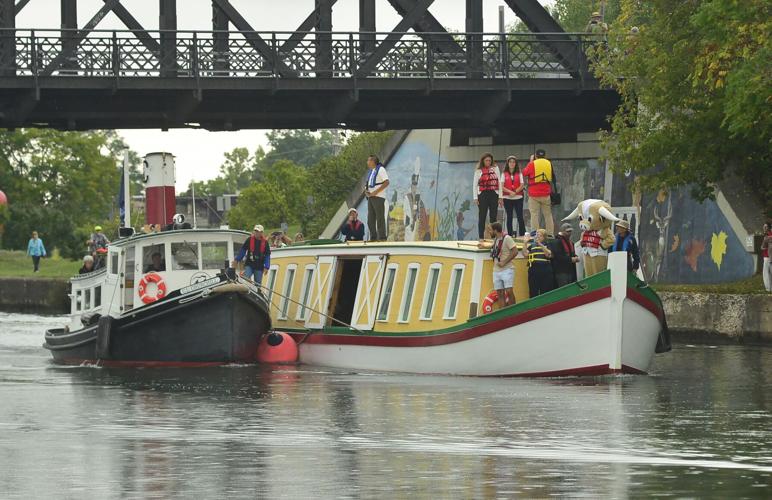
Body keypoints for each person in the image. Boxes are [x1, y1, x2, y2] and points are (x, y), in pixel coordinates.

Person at [522, 149, 555, 236]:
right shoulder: (549, 163)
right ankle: (550, 233)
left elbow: (525, 173)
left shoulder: (533, 163)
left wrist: (530, 161)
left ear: (536, 156)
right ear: (545, 156)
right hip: (546, 193)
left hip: (534, 194)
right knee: (548, 215)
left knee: (534, 214)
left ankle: (535, 233)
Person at [473, 152, 503, 241]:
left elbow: (499, 183)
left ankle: (493, 237)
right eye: (486, 160)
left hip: (494, 193)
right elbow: (475, 184)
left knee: (493, 216)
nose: (488, 162)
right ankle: (481, 237)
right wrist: (475, 197)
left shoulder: (495, 168)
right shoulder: (478, 170)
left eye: (489, 160)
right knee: (482, 216)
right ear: (483, 161)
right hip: (482, 194)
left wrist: (500, 197)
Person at [489, 222, 518, 309]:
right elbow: (495, 249)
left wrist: (504, 262)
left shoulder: (507, 238)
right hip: (496, 270)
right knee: (499, 293)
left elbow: (515, 251)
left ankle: (513, 311)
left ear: (495, 230)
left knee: (509, 291)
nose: (489, 232)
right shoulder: (496, 239)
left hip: (507, 269)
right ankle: (503, 314)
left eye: (490, 230)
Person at [365, 154, 389, 241]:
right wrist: (366, 191)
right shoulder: (371, 171)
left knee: (379, 218)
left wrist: (375, 192)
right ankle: (373, 237)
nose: (367, 162)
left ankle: (382, 237)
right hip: (371, 197)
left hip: (378, 196)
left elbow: (386, 182)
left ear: (372, 161)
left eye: (368, 160)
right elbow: (369, 184)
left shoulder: (381, 169)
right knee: (370, 219)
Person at [523, 229, 553, 298]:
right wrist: (525, 243)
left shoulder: (548, 245)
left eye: (540, 236)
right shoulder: (532, 245)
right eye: (537, 235)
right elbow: (525, 254)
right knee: (533, 291)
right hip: (533, 269)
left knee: (545, 291)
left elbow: (548, 254)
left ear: (544, 237)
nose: (538, 237)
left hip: (545, 269)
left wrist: (540, 244)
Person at [501, 155, 526, 237]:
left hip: (518, 197)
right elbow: (501, 186)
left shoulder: (519, 173)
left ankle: (522, 235)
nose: (512, 164)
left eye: (513, 162)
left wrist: (515, 192)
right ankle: (510, 235)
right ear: (507, 163)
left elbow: (522, 185)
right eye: (510, 162)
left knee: (520, 216)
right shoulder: (504, 174)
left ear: (516, 164)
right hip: (507, 198)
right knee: (509, 217)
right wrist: (510, 192)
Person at [552, 223, 579, 287]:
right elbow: (557, 256)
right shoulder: (556, 241)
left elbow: (572, 253)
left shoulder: (571, 242)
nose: (570, 233)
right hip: (561, 272)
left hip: (570, 271)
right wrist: (571, 259)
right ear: (562, 231)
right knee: (564, 290)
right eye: (567, 231)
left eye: (570, 231)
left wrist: (575, 256)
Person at [762, 222, 772, 292]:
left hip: (768, 257)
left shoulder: (768, 236)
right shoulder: (767, 235)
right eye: (764, 227)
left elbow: (763, 247)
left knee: (766, 273)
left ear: (769, 227)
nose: (764, 228)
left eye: (766, 227)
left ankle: (768, 288)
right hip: (767, 256)